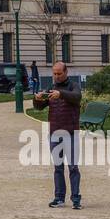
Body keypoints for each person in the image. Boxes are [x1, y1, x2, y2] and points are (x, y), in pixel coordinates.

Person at [35, 61, 83, 209]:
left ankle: (76, 199)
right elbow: (39, 107)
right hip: (54, 133)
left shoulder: (73, 86)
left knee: (73, 167)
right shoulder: (51, 87)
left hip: (71, 133)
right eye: (54, 73)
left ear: (66, 72)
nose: (56, 76)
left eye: (59, 73)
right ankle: (59, 198)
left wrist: (61, 94)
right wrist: (37, 99)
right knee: (58, 167)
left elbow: (76, 97)